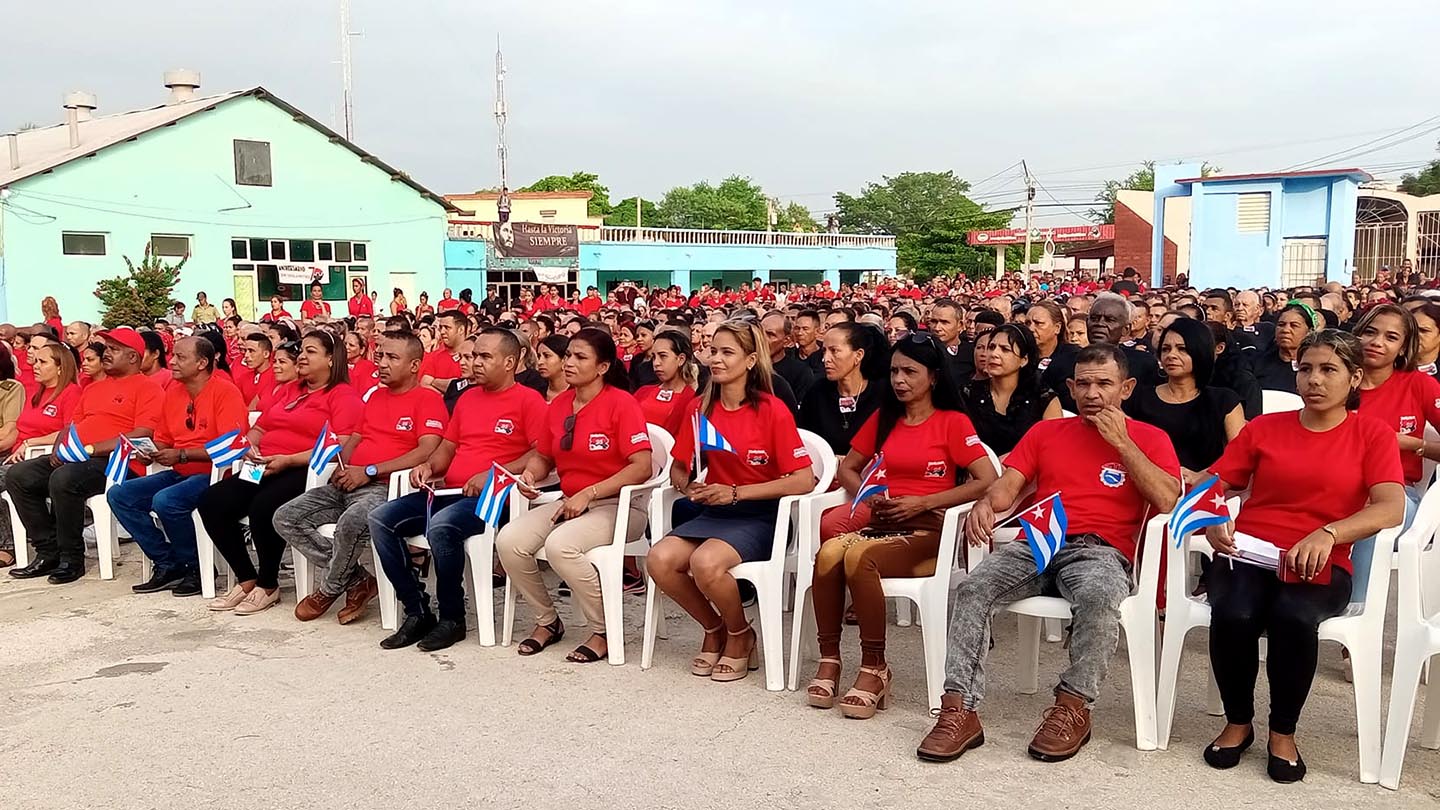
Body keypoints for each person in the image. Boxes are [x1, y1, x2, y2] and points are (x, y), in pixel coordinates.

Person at [917, 343, 1180, 764]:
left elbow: (1168, 501)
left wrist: (1125, 444)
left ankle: (1073, 707)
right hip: (1038, 541)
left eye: (1105, 384)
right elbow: (1008, 487)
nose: (1093, 393)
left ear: (1126, 388)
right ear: (1072, 388)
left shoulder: (1151, 437)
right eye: (1085, 384)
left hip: (1100, 550)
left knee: (1098, 597)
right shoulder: (1046, 432)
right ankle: (959, 710)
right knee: (973, 589)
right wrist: (986, 503)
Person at [1200, 330, 1404, 783]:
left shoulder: (1371, 434)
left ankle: (1282, 732)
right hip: (1251, 551)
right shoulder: (1265, 429)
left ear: (1354, 378)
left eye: (1329, 370)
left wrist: (1330, 532)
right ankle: (1238, 722)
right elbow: (1213, 482)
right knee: (1234, 611)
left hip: (1322, 560)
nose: (1314, 379)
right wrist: (1212, 514)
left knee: (1293, 615)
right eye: (1306, 368)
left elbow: (1391, 507)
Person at [807, 332, 997, 717]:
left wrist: (924, 502)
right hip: (881, 523)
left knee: (859, 556)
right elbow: (848, 469)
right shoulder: (885, 417)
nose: (899, 380)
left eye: (910, 371)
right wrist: (868, 495)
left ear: (934, 378)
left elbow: (987, 478)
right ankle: (830, 659)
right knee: (828, 552)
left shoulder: (952, 422)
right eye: (894, 371)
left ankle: (874, 667)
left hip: (929, 531)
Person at [647, 321, 817, 682]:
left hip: (762, 516)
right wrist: (686, 484)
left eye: (727, 353)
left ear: (751, 360)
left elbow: (804, 479)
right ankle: (715, 628)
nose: (716, 360)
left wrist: (736, 492)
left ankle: (740, 635)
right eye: (713, 351)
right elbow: (679, 466)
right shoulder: (700, 408)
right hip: (716, 511)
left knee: (705, 563)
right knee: (659, 560)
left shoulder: (771, 409)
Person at [368, 328, 545, 650]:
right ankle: (417, 609)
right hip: (449, 491)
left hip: (494, 497)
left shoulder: (529, 401)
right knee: (380, 518)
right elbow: (447, 447)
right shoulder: (467, 398)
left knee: (442, 527)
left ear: (509, 362)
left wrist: (493, 474)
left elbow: (540, 454)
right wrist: (429, 466)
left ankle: (452, 617)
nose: (475, 362)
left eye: (484, 357)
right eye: (474, 355)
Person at [496, 328, 654, 663]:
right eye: (568, 355)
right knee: (509, 541)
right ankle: (548, 622)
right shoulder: (559, 404)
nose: (569, 362)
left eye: (580, 357)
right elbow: (544, 455)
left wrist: (590, 492)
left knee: (559, 546)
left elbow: (642, 467)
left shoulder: (621, 404)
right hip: (569, 502)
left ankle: (604, 630)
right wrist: (530, 474)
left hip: (619, 506)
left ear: (602, 367)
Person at [275, 332, 446, 625]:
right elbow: (355, 437)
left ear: (415, 365)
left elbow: (427, 451)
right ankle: (358, 580)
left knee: (351, 522)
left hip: (386, 488)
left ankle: (329, 589)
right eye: (381, 356)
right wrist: (342, 466)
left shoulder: (427, 400)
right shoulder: (375, 397)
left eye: (393, 358)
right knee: (285, 517)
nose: (382, 363)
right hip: (350, 479)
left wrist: (368, 471)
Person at [197, 331, 363, 615]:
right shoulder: (289, 390)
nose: (301, 356)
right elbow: (260, 427)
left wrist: (288, 460)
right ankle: (246, 577)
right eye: (302, 350)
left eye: (310, 351)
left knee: (264, 506)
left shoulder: (342, 396)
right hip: (262, 465)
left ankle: (268, 584)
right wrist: (250, 443)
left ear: (330, 359)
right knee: (212, 500)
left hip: (303, 468)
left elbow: (341, 446)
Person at [7, 327, 166, 584]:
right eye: (106, 348)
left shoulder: (148, 388)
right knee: (19, 475)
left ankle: (72, 558)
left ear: (133, 357)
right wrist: (61, 446)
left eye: (114, 349)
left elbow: (141, 434)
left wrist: (89, 449)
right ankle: (49, 551)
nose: (106, 353)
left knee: (64, 478)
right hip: (76, 456)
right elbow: (71, 426)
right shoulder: (93, 389)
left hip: (117, 462)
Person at [109, 337, 249, 597]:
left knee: (167, 501)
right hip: (178, 470)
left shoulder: (225, 391)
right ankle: (167, 562)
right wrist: (149, 451)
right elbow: (163, 437)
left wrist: (183, 455)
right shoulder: (173, 392)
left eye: (180, 357)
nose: (171, 361)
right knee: (120, 495)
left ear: (202, 363)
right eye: (173, 355)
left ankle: (194, 567)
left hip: (215, 475)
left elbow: (232, 445)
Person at [1125, 318, 1244, 476]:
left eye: (1182, 349)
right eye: (1166, 349)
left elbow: (1240, 456)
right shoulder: (1138, 398)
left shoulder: (1224, 401)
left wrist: (1200, 477)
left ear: (1200, 352)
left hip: (1204, 490)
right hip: (1147, 484)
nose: (1171, 355)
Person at [0, 343, 81, 567]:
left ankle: (8, 546)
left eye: (42, 362)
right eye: (35, 361)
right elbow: (17, 426)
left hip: (42, 457)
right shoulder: (37, 393)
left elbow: (70, 431)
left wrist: (30, 442)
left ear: (59, 368)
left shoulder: (71, 392)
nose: (34, 366)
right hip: (15, 454)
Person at [799, 320, 887, 476]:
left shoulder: (883, 394)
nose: (826, 359)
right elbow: (804, 442)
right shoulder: (817, 392)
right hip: (822, 477)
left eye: (834, 351)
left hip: (870, 479)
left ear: (858, 355)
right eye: (824, 351)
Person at [964, 324, 1063, 456]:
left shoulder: (1043, 398)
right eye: (992, 347)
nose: (994, 354)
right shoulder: (968, 394)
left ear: (1024, 359)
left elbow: (1052, 447)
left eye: (1005, 349)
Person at [634, 329, 699, 438]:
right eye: (654, 357)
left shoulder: (694, 401)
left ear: (681, 359)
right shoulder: (643, 392)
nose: (656, 363)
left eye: (663, 356)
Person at [1250, 303, 1317, 394]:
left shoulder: (1316, 365)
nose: (1285, 330)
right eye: (1281, 325)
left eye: (1294, 325)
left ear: (1309, 332)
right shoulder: (1257, 363)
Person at [761, 311, 815, 406]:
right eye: (760, 333)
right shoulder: (746, 368)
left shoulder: (800, 373)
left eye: (770, 335)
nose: (762, 338)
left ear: (786, 341)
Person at [420, 310, 466, 394]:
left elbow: (468, 386)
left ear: (461, 329)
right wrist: (448, 398)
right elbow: (424, 384)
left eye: (447, 327)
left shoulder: (474, 356)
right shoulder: (434, 356)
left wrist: (434, 381)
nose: (442, 332)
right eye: (440, 327)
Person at [235, 333, 276, 410]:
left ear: (266, 354)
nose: (246, 355)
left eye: (251, 351)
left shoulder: (277, 376)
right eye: (246, 350)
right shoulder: (243, 378)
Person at [526, 334, 570, 404]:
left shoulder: (577, 394)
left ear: (564, 360)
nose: (540, 362)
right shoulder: (533, 388)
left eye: (547, 356)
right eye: (539, 356)